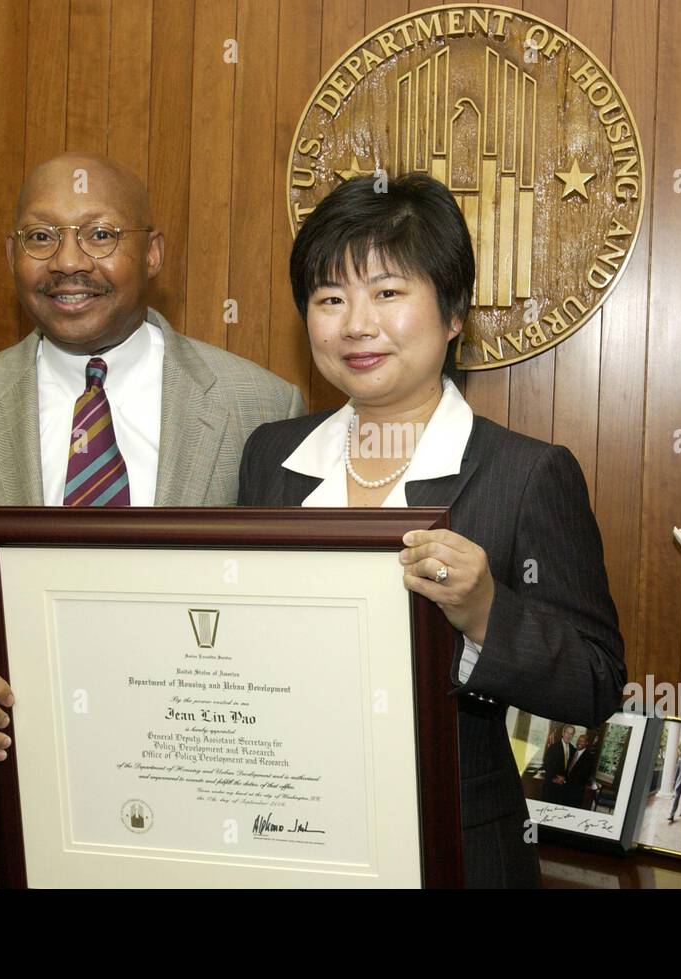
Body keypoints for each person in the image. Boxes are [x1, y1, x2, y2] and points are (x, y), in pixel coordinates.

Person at [0, 153, 304, 888]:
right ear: (11, 254)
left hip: (206, 836)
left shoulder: (261, 407)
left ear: (151, 254)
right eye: (40, 237)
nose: (67, 262)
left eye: (99, 235)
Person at [237, 172, 627, 887]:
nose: (356, 322)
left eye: (388, 292)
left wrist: (487, 615)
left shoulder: (527, 474)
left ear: (453, 314)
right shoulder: (271, 456)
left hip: (456, 852)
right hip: (282, 840)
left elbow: (597, 685)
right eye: (330, 298)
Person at [542, 725, 578, 805]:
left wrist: (565, 779)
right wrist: (556, 777)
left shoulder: (573, 750)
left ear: (573, 736)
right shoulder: (553, 747)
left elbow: (572, 769)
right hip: (552, 785)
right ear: (563, 733)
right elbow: (546, 765)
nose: (568, 736)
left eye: (571, 734)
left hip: (564, 787)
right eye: (567, 733)